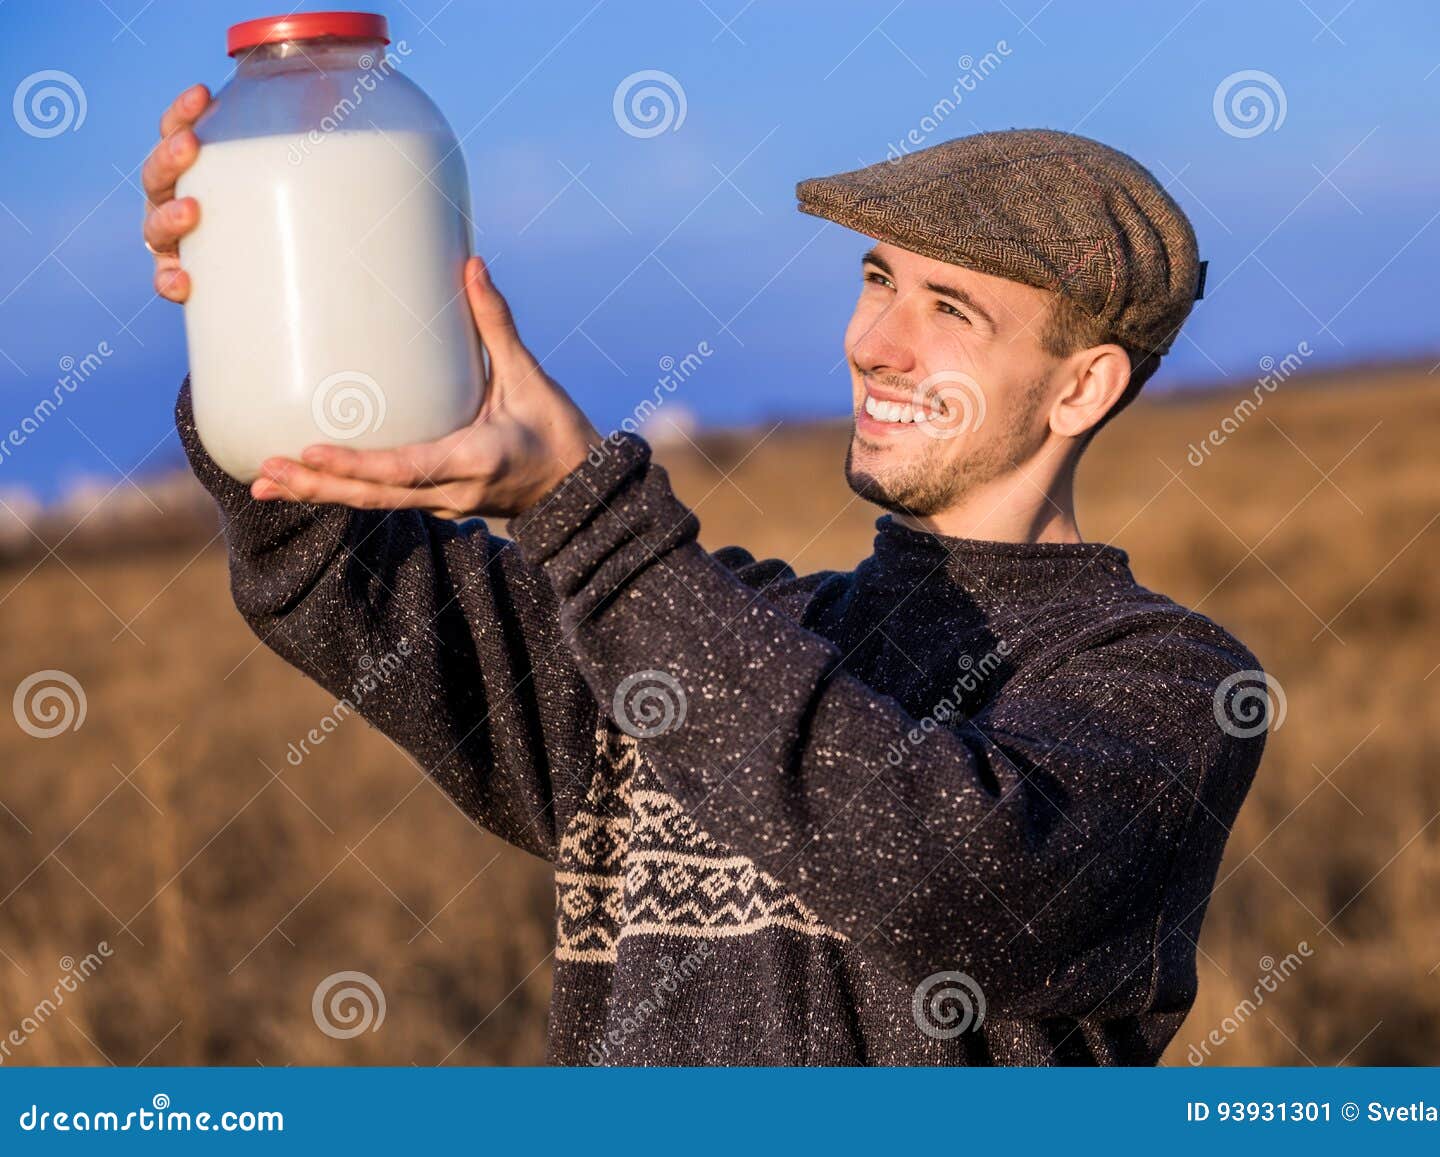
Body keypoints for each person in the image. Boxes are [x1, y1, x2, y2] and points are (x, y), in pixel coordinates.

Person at [144, 85, 1270, 1065]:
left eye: (949, 309)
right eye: (879, 279)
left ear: (1082, 388)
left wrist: (575, 510)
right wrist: (259, 315)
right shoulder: (716, 629)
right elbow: (338, 574)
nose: (874, 340)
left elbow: (943, 879)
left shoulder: (1166, 686)